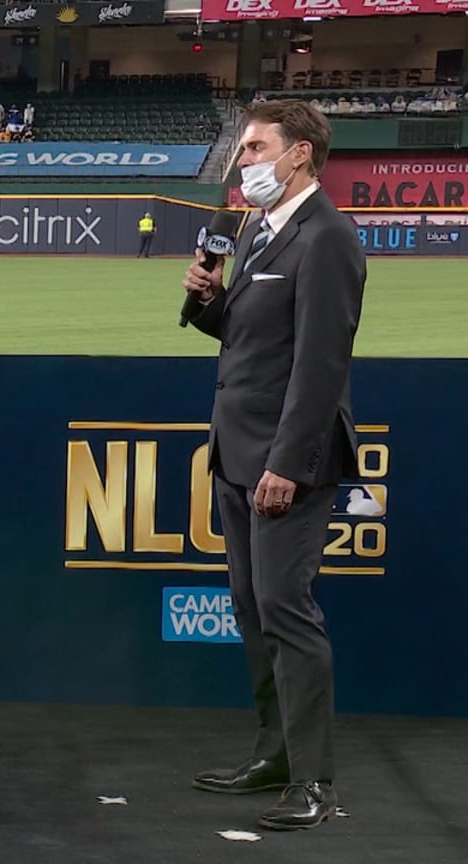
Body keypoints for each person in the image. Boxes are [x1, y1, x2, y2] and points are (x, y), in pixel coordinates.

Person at [182, 99, 364, 831]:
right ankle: (275, 756)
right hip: (236, 453)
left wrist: (287, 462)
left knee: (287, 613)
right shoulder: (259, 228)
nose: (244, 160)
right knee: (255, 613)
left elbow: (320, 365)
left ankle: (314, 781)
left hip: (285, 464)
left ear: (299, 155)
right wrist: (207, 303)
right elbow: (251, 336)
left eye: (256, 148)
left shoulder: (327, 238)